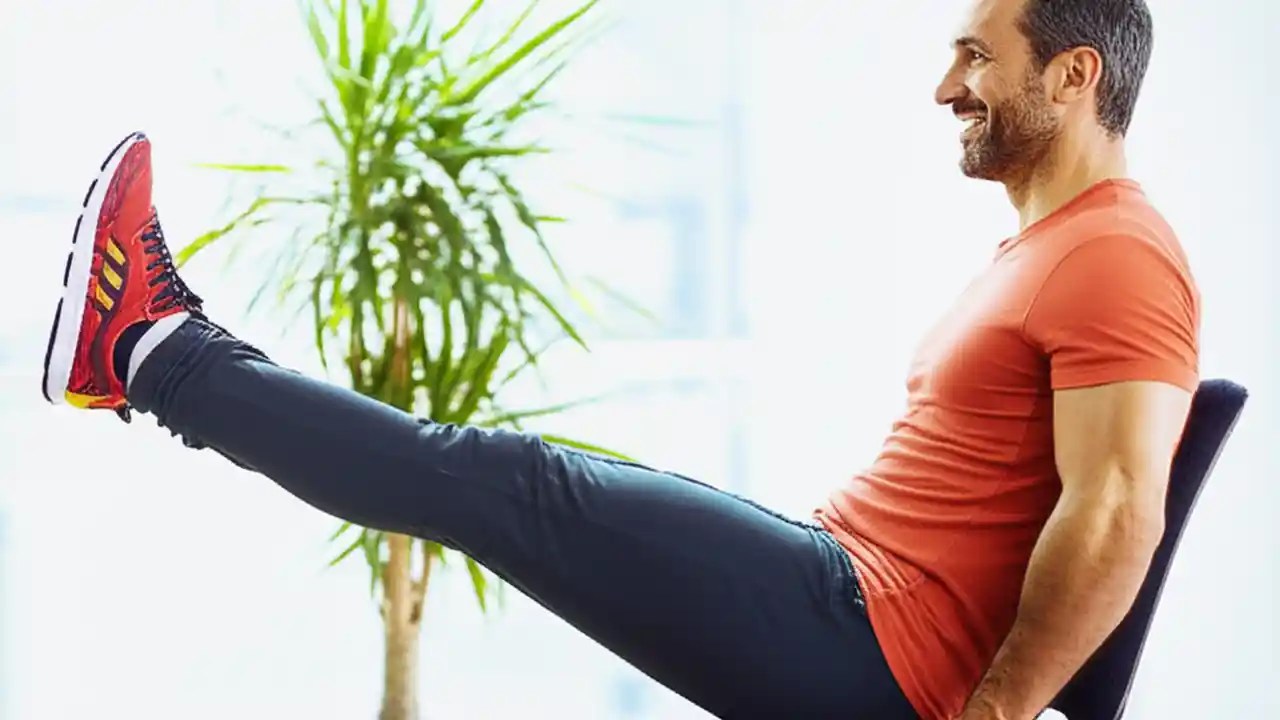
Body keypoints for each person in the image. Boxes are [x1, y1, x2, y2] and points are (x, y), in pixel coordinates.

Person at [40, 0, 1198, 717]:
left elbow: (1117, 510)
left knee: (511, 485)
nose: (945, 86)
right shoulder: (1050, 248)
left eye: (975, 55)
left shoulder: (1118, 254)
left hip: (869, 640)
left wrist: (994, 717)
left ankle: (150, 346)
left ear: (1072, 76)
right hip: (843, 598)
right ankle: (148, 353)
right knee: (510, 487)